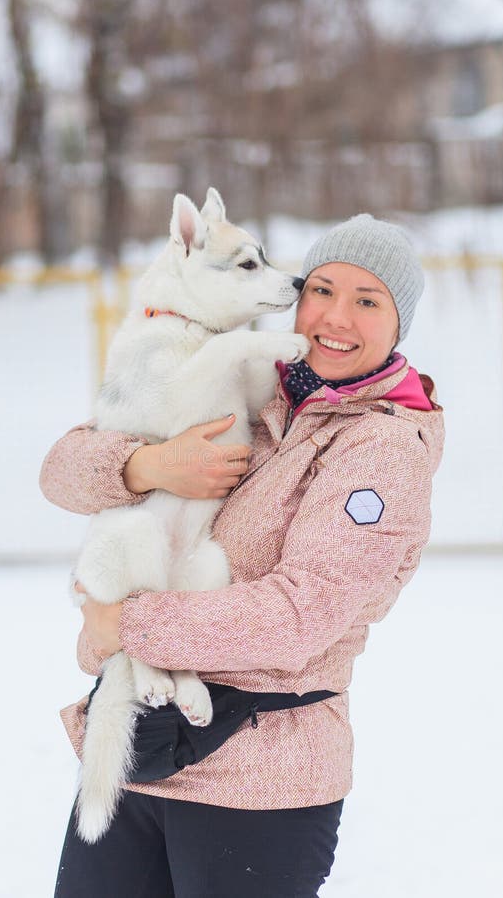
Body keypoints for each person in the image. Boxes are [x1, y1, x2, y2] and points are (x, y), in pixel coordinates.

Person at [41, 214, 444, 897]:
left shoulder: (379, 450)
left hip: (259, 785)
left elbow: (298, 616)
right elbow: (61, 471)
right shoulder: (259, 389)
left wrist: (125, 624)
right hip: (143, 751)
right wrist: (146, 464)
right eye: (321, 290)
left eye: (368, 300)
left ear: (398, 324)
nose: (336, 316)